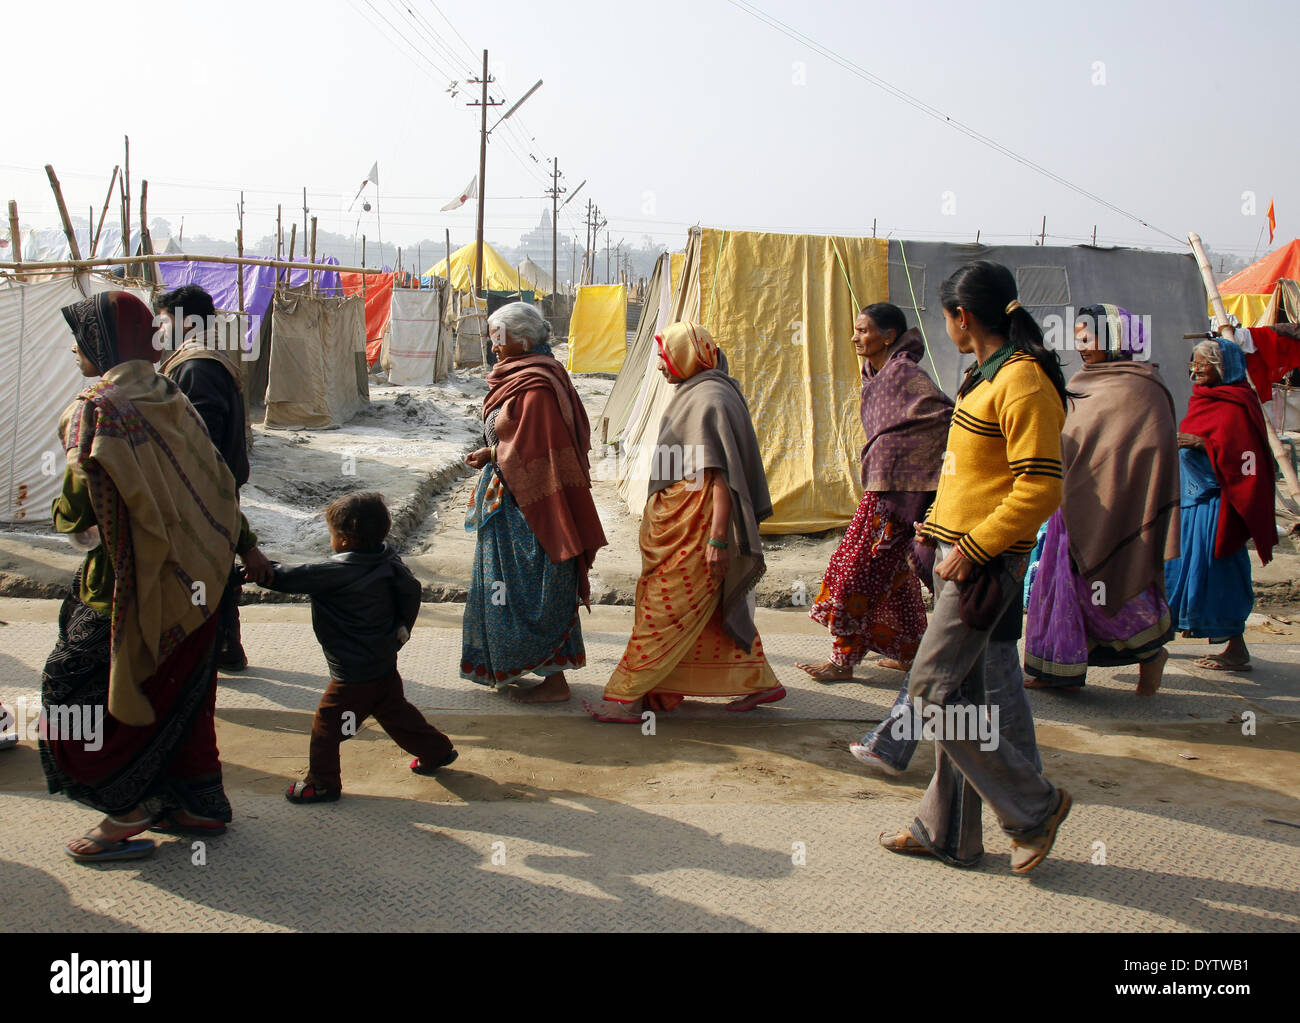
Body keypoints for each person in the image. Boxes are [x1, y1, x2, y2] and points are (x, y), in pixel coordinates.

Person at [42, 291, 250, 863]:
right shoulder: (170, 394)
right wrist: (246, 547)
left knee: (69, 693)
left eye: (80, 340)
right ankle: (198, 803)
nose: (74, 350)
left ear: (101, 343)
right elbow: (216, 482)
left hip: (128, 586)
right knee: (182, 691)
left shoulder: (98, 409)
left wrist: (63, 503)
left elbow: (77, 515)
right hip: (200, 572)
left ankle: (125, 810)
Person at [878, 261, 1072, 874]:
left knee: (931, 694)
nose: (948, 327)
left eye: (948, 318)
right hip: (957, 558)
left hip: (979, 565)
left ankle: (1034, 808)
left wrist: (977, 547)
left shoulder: (1023, 382)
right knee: (958, 699)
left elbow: (1040, 488)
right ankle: (948, 833)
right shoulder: (982, 378)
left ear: (962, 317)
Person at [584, 322, 786, 722]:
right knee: (701, 610)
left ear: (687, 355)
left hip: (697, 531)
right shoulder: (694, 392)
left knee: (663, 609)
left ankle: (627, 697)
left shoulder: (711, 398)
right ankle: (754, 679)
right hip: (678, 522)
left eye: (664, 354)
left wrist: (717, 542)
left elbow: (722, 478)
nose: (659, 364)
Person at [258, 492, 457, 803]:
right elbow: (412, 591)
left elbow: (286, 577)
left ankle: (322, 783)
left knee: (327, 726)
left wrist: (248, 570)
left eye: (333, 535)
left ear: (346, 540)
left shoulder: (333, 573)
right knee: (395, 712)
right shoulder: (390, 560)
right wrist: (401, 632)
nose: (332, 542)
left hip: (352, 674)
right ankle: (437, 751)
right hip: (382, 661)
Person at [1023, 305, 1180, 695]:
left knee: (1113, 588)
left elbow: (1151, 454)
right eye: (1078, 337)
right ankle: (1058, 669)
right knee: (1061, 587)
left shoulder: (1142, 387)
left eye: (1090, 337)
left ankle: (1150, 654)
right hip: (1068, 508)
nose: (1082, 347)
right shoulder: (1081, 380)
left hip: (1118, 511)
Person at [460, 302, 608, 704]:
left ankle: (555, 681)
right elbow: (519, 440)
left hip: (531, 508)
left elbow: (540, 451)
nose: (493, 347)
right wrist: (492, 455)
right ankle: (514, 664)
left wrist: (498, 456)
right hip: (510, 498)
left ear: (523, 339)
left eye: (498, 339)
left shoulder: (538, 385)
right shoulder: (524, 377)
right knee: (506, 587)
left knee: (534, 588)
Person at [797, 302, 952, 681]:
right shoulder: (876, 373)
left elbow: (941, 417)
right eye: (855, 329)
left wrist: (904, 463)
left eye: (864, 330)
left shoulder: (902, 373)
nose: (855, 337)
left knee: (855, 573)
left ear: (889, 336)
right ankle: (908, 651)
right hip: (883, 489)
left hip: (901, 494)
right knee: (895, 576)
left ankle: (842, 662)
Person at [154, 284, 272, 671]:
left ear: (185, 321)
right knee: (214, 570)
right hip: (217, 487)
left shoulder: (195, 366)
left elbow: (201, 443)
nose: (159, 328)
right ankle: (224, 648)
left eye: (165, 320)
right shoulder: (207, 356)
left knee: (204, 571)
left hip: (204, 490)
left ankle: (213, 651)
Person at [1164, 337, 1277, 671]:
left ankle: (1236, 648)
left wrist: (1202, 444)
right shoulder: (1202, 399)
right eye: (1193, 362)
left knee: (1219, 573)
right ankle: (1155, 640)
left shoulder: (1239, 402)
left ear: (1224, 366)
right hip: (1188, 505)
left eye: (1204, 362)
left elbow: (1249, 461)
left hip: (1218, 508)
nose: (1196, 369)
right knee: (1174, 571)